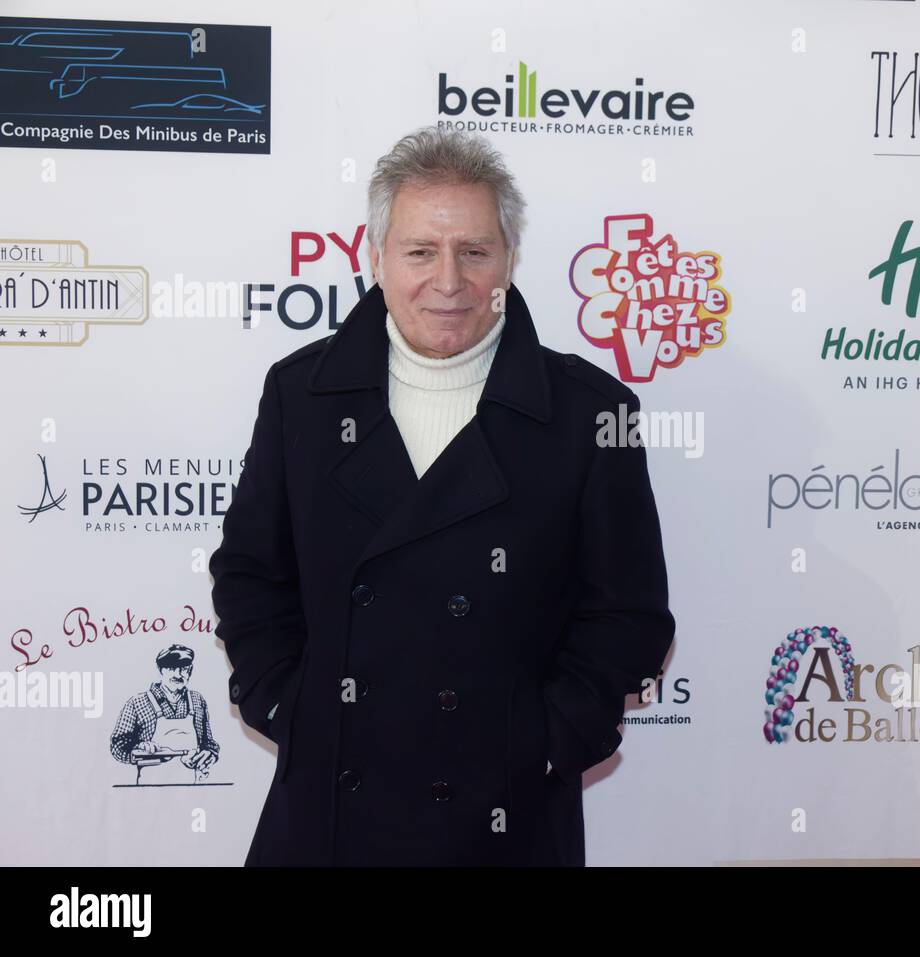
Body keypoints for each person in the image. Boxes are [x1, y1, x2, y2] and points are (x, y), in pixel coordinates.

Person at [210, 127, 675, 865]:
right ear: (377, 258)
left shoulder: (591, 412)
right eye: (421, 251)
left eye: (476, 251)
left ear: (510, 260)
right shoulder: (300, 394)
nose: (449, 280)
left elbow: (629, 614)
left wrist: (549, 743)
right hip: (332, 808)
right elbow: (249, 575)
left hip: (507, 816)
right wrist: (290, 707)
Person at [109, 644, 220, 785]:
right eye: (173, 668)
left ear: (190, 670)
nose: (179, 675)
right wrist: (139, 747)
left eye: (184, 669)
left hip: (194, 788)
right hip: (149, 792)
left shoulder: (198, 701)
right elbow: (117, 745)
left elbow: (209, 743)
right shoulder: (137, 703)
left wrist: (210, 754)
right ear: (161, 670)